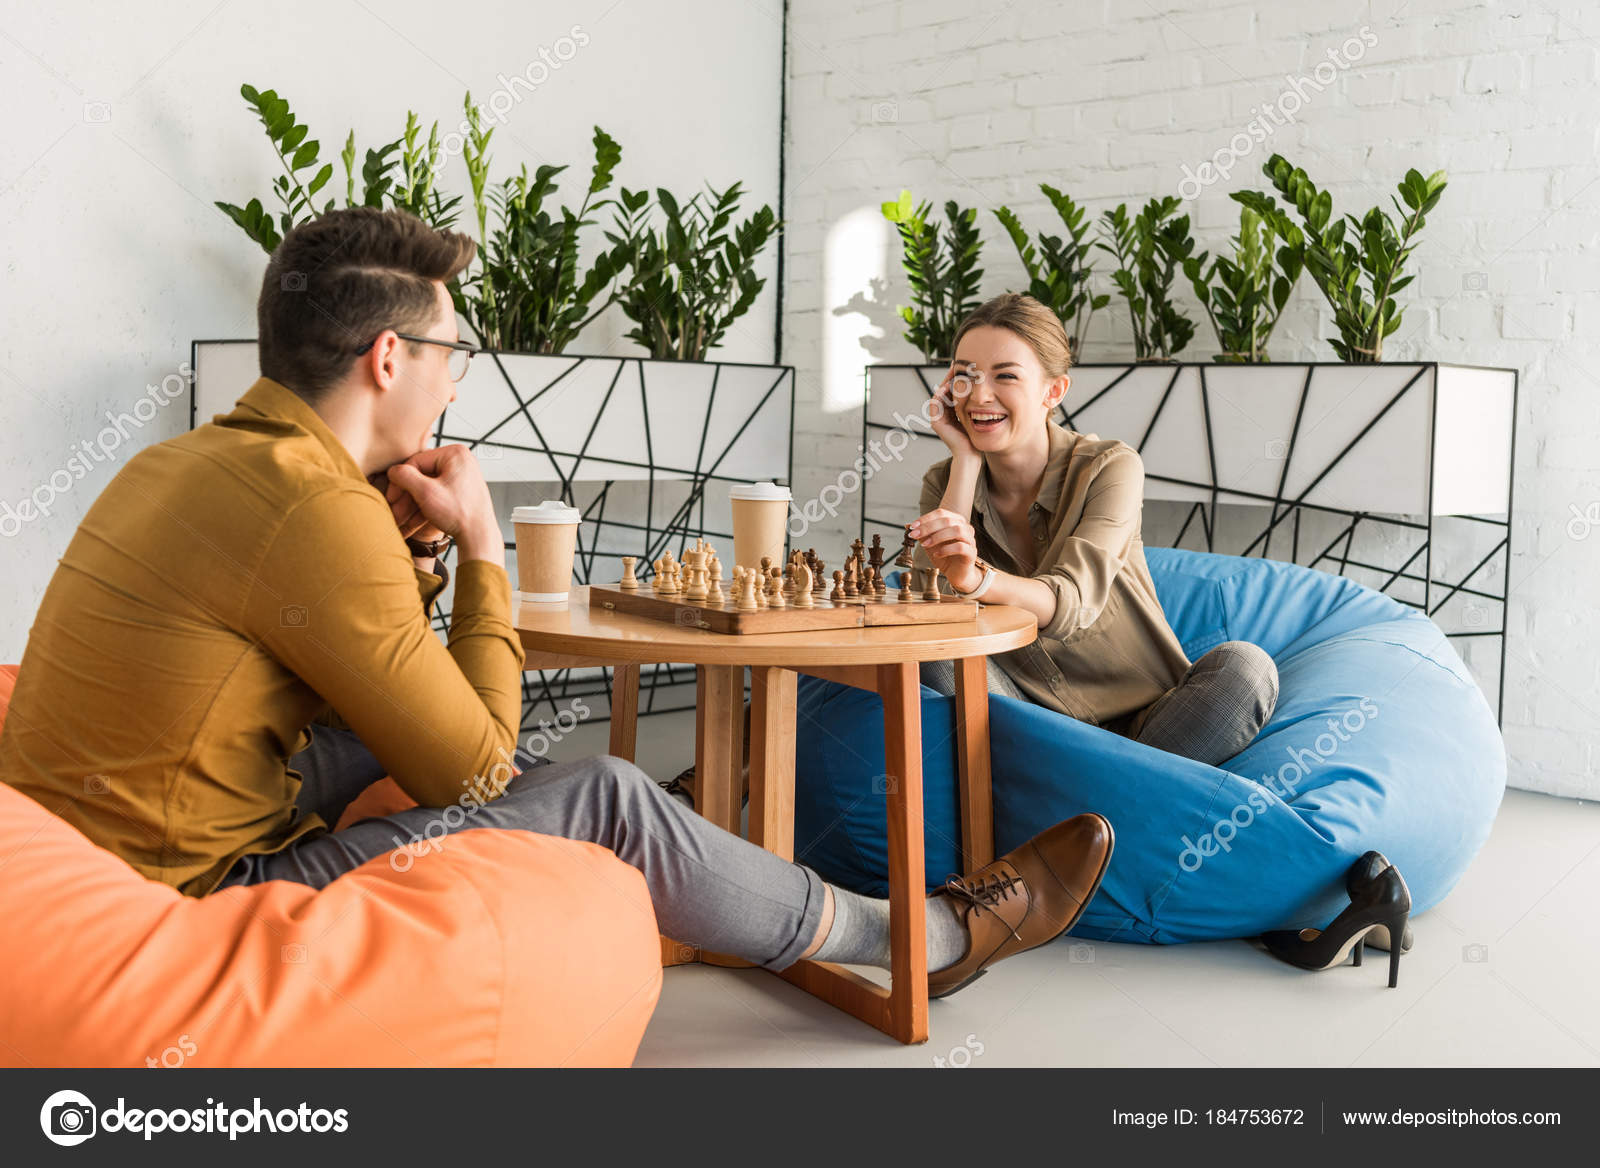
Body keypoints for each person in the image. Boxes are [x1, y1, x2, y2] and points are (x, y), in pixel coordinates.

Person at [0, 209, 1113, 1001]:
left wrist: (414, 558)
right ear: (390, 357)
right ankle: (917, 936)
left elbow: (341, 650)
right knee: (605, 795)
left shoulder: (191, 460)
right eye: (449, 351)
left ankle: (722, 867)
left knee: (363, 735)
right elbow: (478, 767)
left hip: (96, 835)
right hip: (197, 883)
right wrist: (482, 543)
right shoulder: (314, 510)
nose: (458, 377)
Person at [910, 293, 1279, 766]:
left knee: (1247, 668)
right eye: (965, 375)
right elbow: (923, 615)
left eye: (1005, 375)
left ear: (1053, 391)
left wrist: (979, 581)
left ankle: (1080, 809)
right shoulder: (944, 482)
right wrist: (964, 462)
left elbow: (1072, 603)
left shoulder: (1109, 466)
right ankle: (1116, 805)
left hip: (1153, 721)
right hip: (1027, 719)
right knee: (935, 654)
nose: (979, 396)